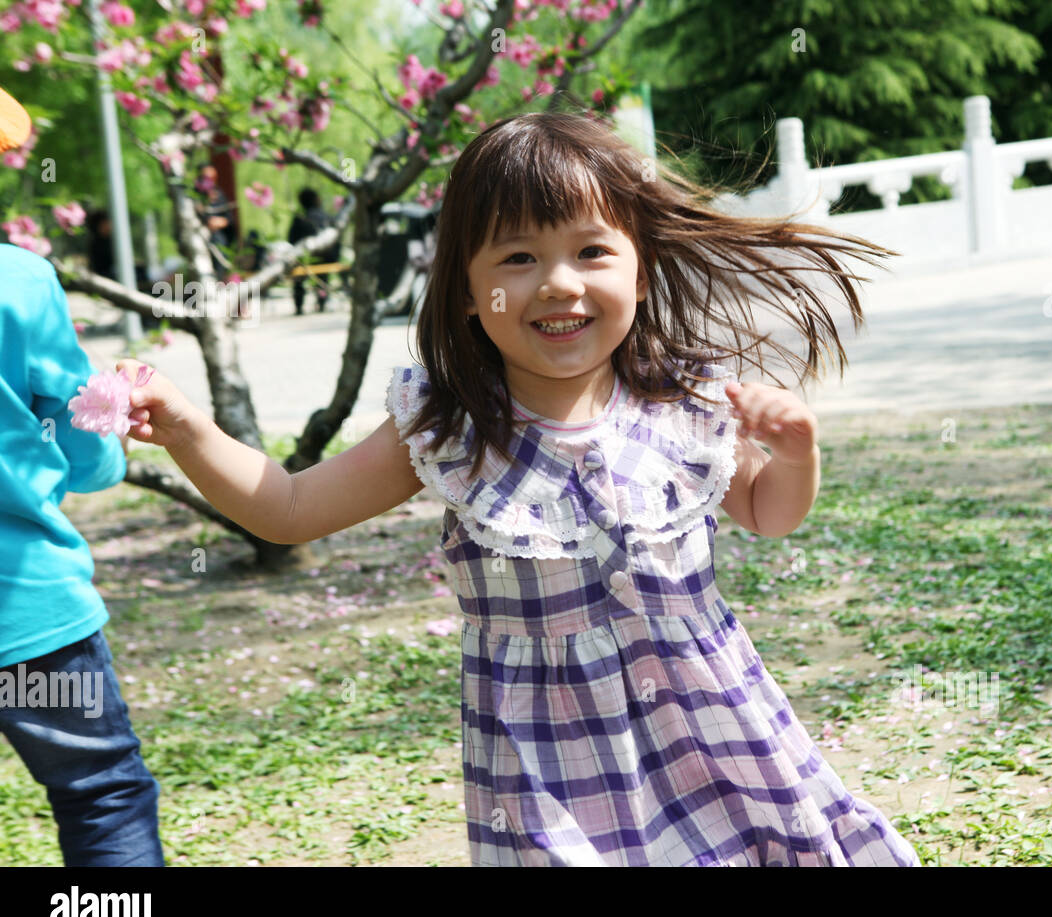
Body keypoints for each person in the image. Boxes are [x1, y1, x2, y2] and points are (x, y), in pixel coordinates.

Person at [116, 111, 919, 867]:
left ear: (641, 272)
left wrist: (795, 455)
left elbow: (767, 514)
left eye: (592, 253)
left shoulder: (686, 403)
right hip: (549, 767)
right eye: (518, 258)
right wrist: (189, 429)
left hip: (711, 727)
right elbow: (288, 510)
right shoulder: (446, 430)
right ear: (468, 292)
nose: (559, 284)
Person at [0, 85, 166, 866]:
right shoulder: (20, 283)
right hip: (27, 615)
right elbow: (89, 457)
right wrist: (109, 415)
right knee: (100, 793)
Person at [287, 187, 340, 315]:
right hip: (326, 258)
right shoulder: (326, 217)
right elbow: (337, 240)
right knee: (323, 275)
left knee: (298, 277)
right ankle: (321, 302)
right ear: (316, 200)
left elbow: (291, 239)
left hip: (304, 259)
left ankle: (299, 306)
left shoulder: (299, 218)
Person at [194, 164, 233, 280]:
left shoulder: (219, 193)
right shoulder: (196, 195)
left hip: (218, 236)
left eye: (213, 178)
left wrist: (221, 221)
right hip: (201, 234)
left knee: (220, 245)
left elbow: (229, 218)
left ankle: (220, 279)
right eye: (207, 178)